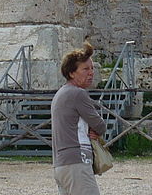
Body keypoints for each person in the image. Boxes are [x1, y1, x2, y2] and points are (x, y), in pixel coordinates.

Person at [50, 42, 107, 195]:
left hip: (61, 164)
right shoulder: (78, 94)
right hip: (77, 161)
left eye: (92, 68)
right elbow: (100, 125)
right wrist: (94, 130)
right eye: (85, 69)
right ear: (71, 73)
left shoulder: (60, 94)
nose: (91, 73)